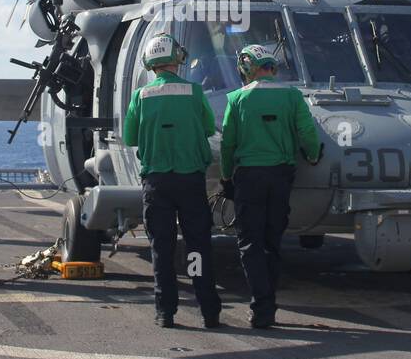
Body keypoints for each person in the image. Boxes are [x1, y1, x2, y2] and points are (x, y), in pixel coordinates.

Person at [122, 33, 222, 328]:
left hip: (156, 181)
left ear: (149, 63)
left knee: (161, 248)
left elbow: (130, 137)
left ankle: (165, 311)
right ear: (177, 58)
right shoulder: (193, 92)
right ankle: (209, 311)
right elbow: (207, 127)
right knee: (197, 246)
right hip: (190, 178)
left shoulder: (140, 96)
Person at [219, 44, 321, 329]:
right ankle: (269, 300)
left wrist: (226, 177)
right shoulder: (292, 96)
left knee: (250, 243)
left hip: (249, 178)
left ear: (246, 68)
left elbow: (228, 143)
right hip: (281, 176)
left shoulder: (237, 98)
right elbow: (307, 133)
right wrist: (313, 156)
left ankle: (261, 305)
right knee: (272, 241)